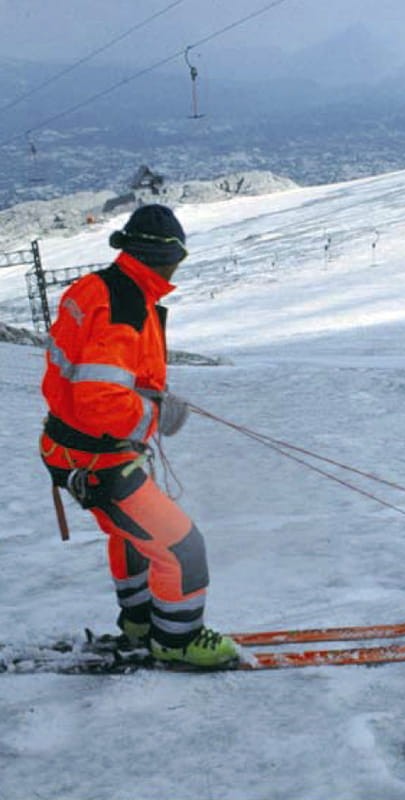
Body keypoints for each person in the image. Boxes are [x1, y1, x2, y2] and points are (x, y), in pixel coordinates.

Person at [40, 204, 240, 667]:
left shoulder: (99, 287)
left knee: (132, 535)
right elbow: (99, 401)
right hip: (97, 460)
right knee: (183, 548)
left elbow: (92, 374)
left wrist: (147, 395)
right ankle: (176, 640)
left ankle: (138, 621)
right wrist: (156, 416)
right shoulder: (125, 307)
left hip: (70, 450)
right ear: (165, 257)